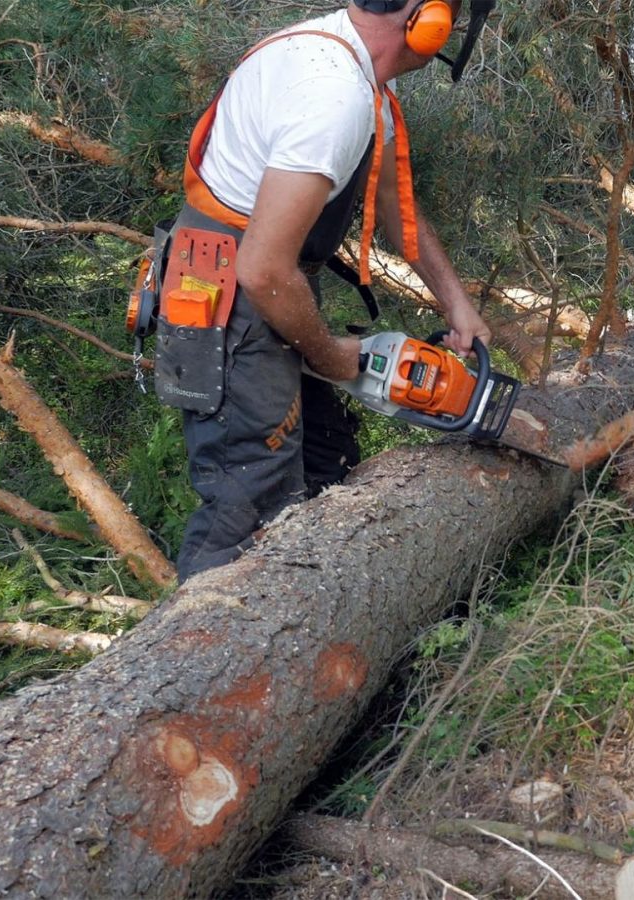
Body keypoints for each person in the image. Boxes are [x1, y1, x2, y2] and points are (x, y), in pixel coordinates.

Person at [163, 0, 494, 580]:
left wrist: (457, 305)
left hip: (270, 278)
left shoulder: (357, 74)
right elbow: (263, 271)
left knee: (325, 459)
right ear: (426, 17)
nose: (456, 28)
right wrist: (332, 356)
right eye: (454, 13)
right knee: (249, 501)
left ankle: (317, 620)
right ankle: (202, 639)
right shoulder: (333, 94)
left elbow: (396, 205)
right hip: (234, 289)